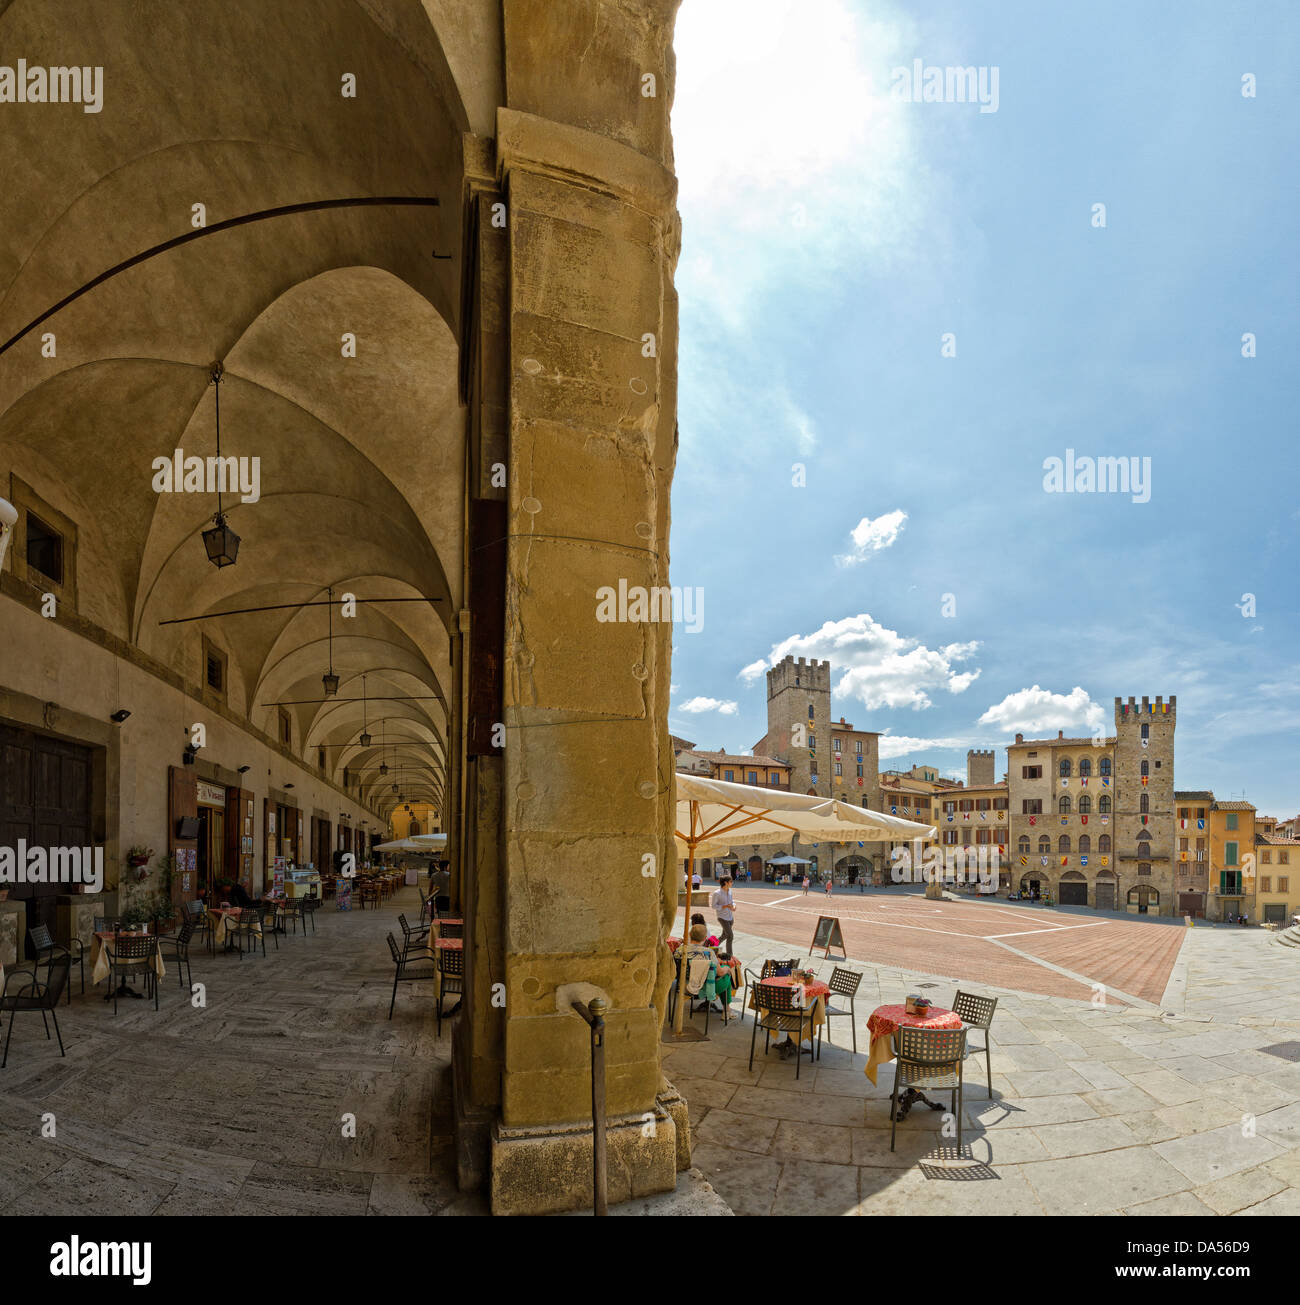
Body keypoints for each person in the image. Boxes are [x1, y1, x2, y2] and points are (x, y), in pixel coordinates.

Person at [711, 875, 735, 958]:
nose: (732, 883)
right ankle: (729, 955)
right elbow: (713, 906)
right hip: (722, 917)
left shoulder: (730, 891)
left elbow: (732, 901)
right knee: (730, 936)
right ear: (725, 882)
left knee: (724, 935)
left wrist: (734, 906)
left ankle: (713, 947)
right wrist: (724, 906)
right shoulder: (717, 893)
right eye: (731, 881)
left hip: (730, 917)